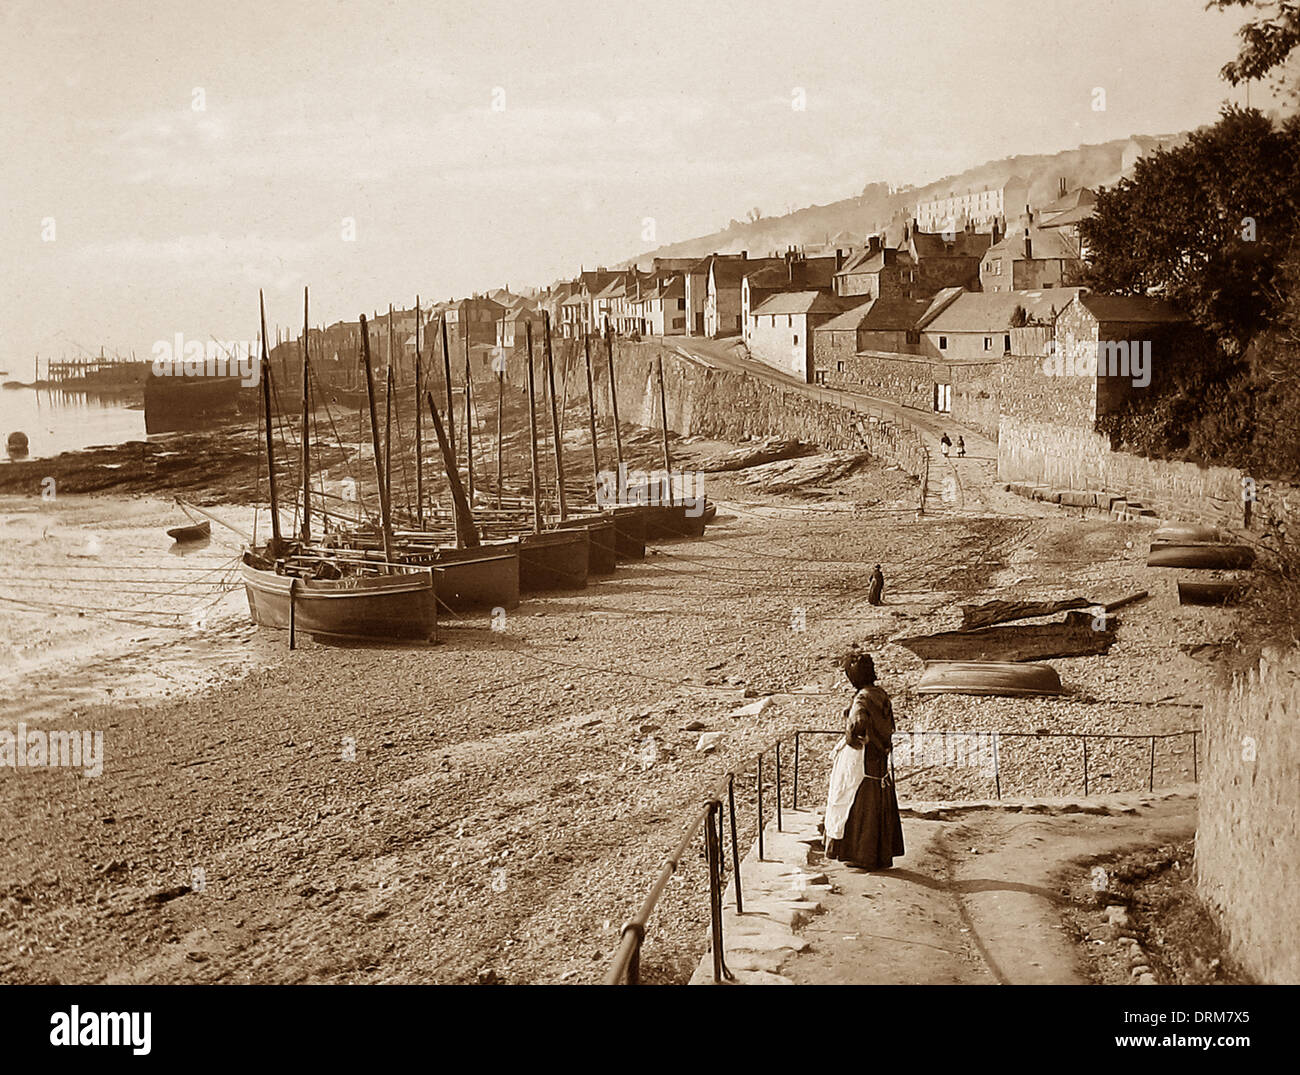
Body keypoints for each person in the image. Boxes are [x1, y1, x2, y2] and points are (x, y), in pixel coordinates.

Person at [823, 651, 905, 870]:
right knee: (876, 801)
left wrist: (851, 727)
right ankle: (878, 855)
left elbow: (858, 724)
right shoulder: (880, 693)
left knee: (852, 799)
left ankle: (859, 855)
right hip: (879, 758)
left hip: (862, 757)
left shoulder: (861, 698)